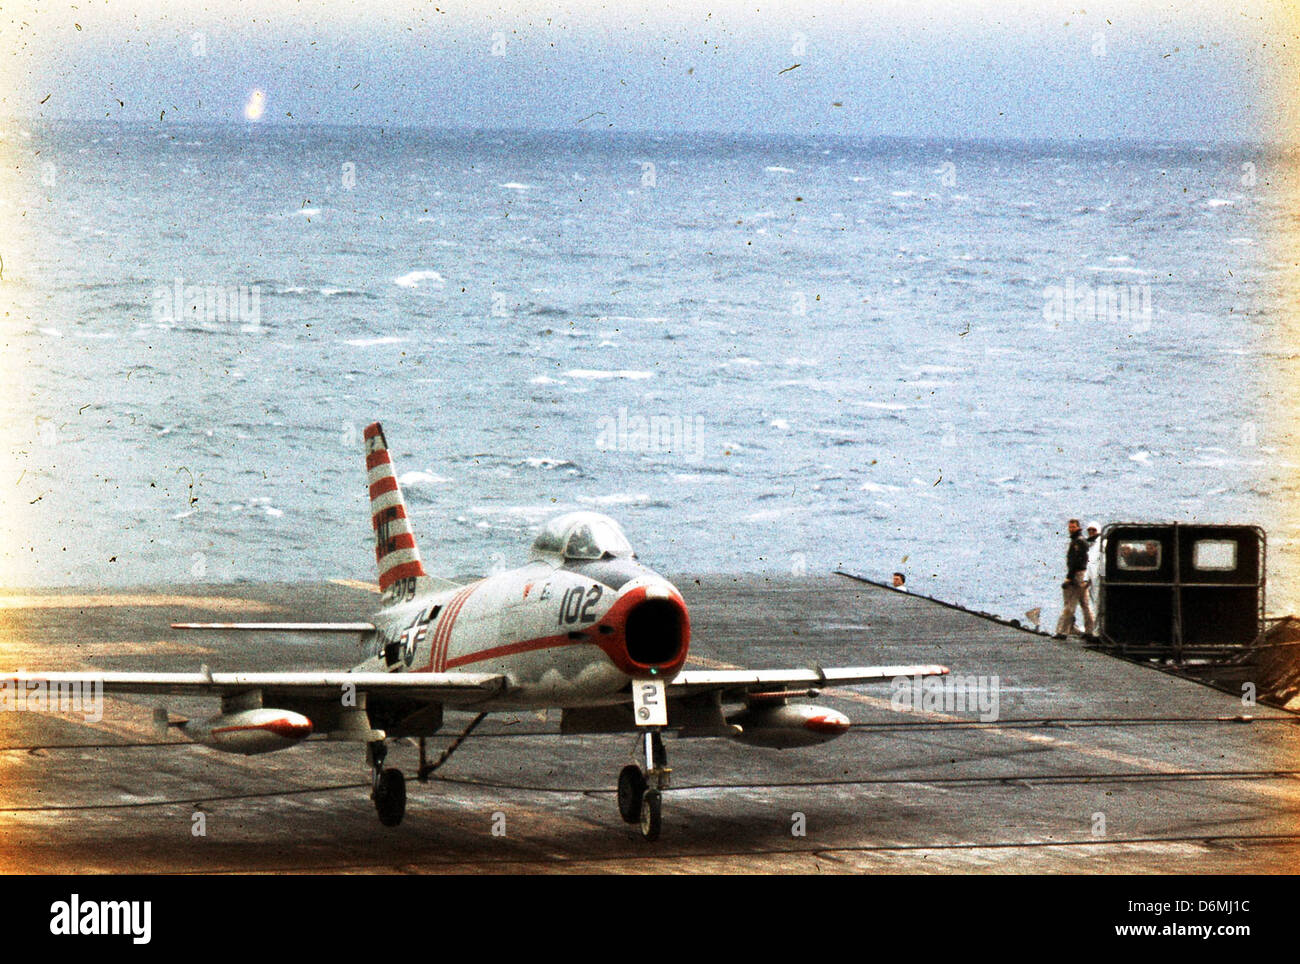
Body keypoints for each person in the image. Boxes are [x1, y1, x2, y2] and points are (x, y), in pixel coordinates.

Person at [1054, 519, 1095, 639]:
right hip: (1084, 575)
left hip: (1077, 575)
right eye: (1070, 527)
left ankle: (1062, 631)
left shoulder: (1078, 542)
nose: (1071, 529)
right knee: (1085, 604)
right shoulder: (1082, 541)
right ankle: (1090, 630)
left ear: (1078, 528)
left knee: (1070, 604)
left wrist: (1069, 578)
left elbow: (1076, 562)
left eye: (1073, 527)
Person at [1084, 521, 1103, 627]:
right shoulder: (1091, 544)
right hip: (1092, 580)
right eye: (1089, 530)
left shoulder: (1102, 543)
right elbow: (1089, 563)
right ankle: (1093, 628)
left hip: (1099, 580)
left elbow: (1103, 561)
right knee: (1093, 604)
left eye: (1093, 530)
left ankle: (1097, 629)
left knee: (1098, 605)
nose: (1091, 532)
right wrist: (1086, 579)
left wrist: (1102, 577)